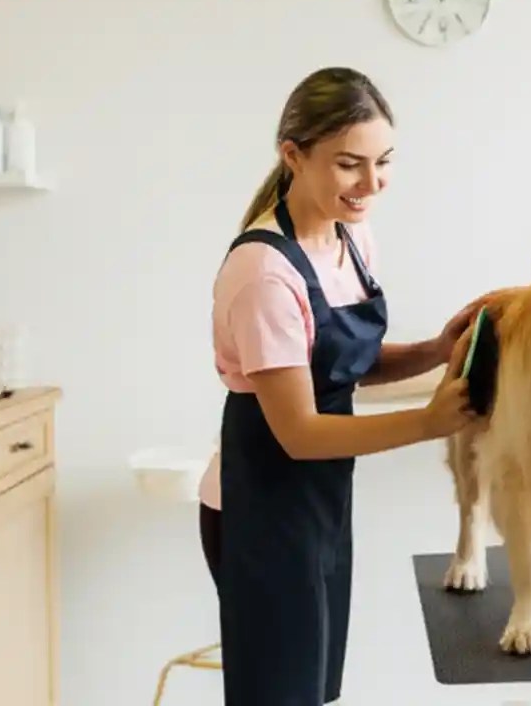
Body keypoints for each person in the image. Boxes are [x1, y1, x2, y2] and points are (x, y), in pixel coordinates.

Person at [198, 66, 487, 705]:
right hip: (262, 505)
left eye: (383, 162)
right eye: (349, 164)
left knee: (312, 688)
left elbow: (339, 364)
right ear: (292, 156)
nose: (371, 184)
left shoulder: (350, 238)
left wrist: (437, 351)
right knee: (278, 694)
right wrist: (427, 422)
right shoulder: (263, 273)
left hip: (322, 502)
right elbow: (299, 432)